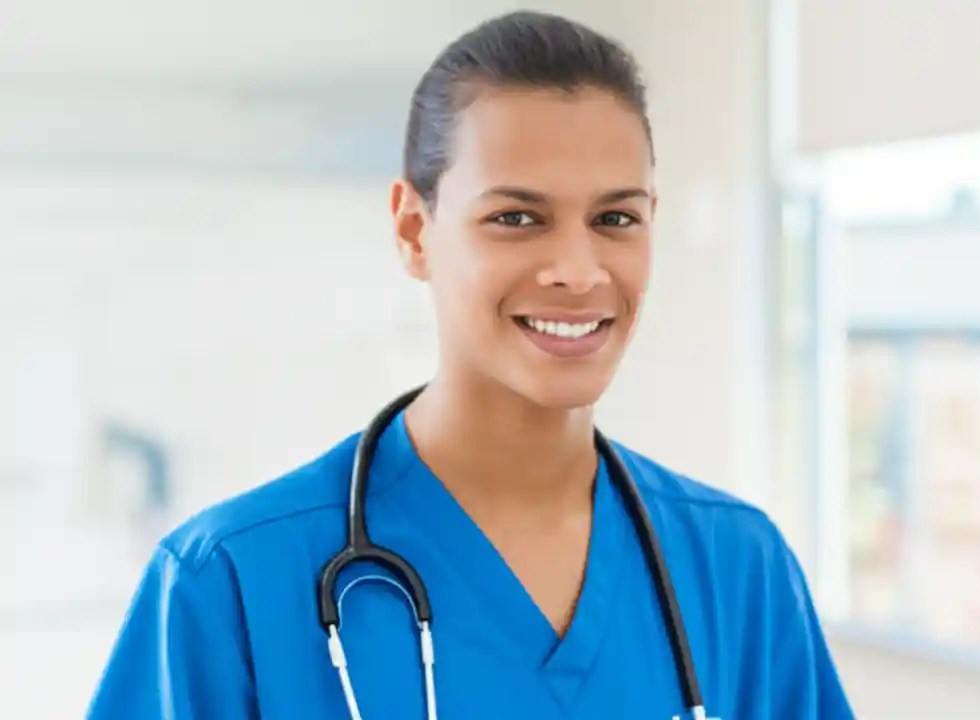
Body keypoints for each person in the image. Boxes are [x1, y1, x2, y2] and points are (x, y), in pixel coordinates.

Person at [88, 11, 855, 720]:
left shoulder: (736, 568)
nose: (578, 270)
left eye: (614, 218)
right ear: (415, 230)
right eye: (515, 218)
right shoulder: (231, 580)